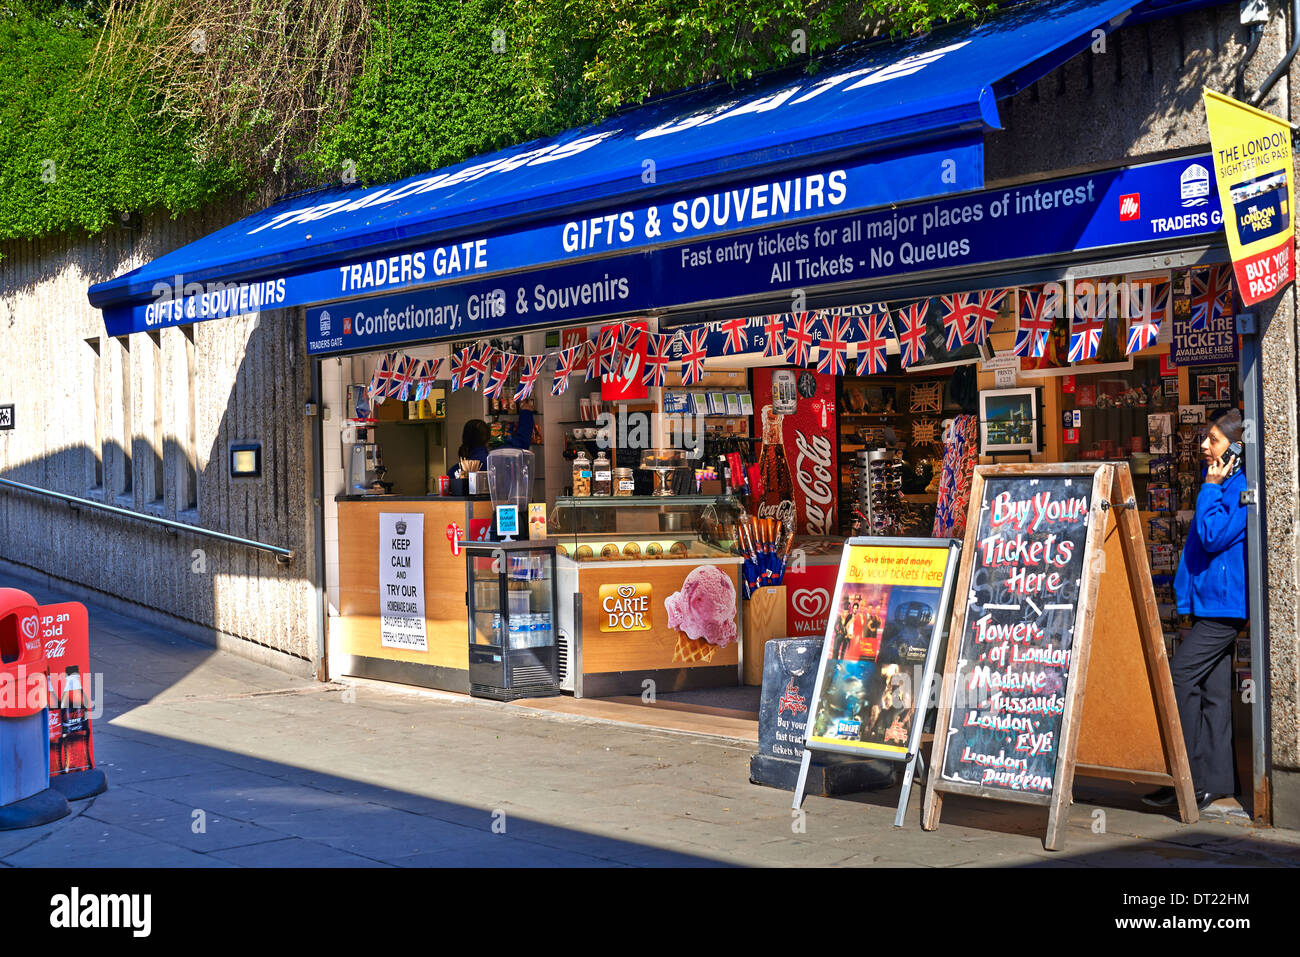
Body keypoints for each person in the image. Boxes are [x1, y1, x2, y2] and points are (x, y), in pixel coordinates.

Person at [1144, 408, 1248, 813]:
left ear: (1236, 449)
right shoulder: (1226, 483)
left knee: (1180, 675)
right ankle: (1215, 782)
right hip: (1213, 603)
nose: (1204, 446)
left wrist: (1208, 488)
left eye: (1215, 440)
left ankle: (1186, 776)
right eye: (1206, 438)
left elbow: (1211, 534)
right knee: (1214, 692)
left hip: (1225, 606)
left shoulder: (1237, 486)